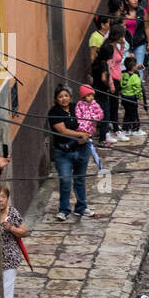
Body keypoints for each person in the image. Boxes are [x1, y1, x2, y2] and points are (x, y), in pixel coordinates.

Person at [48, 85, 91, 222]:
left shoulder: (77, 107)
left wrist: (87, 134)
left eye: (66, 95)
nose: (64, 99)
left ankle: (81, 207)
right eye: (60, 96)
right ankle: (64, 210)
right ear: (56, 99)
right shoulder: (54, 112)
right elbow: (63, 130)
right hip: (63, 152)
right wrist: (80, 134)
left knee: (80, 179)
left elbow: (88, 121)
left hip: (82, 150)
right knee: (65, 180)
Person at [0, 184, 27, 298]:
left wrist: (11, 228)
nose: (0, 200)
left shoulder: (13, 213)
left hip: (10, 257)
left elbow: (24, 232)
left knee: (6, 289)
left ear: (7, 198)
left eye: (3, 197)